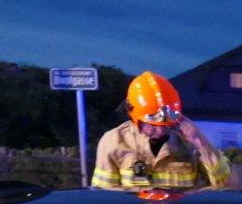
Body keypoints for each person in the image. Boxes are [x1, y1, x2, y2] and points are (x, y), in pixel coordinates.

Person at [92, 71, 230, 192]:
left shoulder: (191, 141)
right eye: (152, 125)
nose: (160, 130)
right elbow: (103, 196)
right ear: (134, 117)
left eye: (166, 124)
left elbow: (227, 187)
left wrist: (201, 143)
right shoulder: (113, 142)